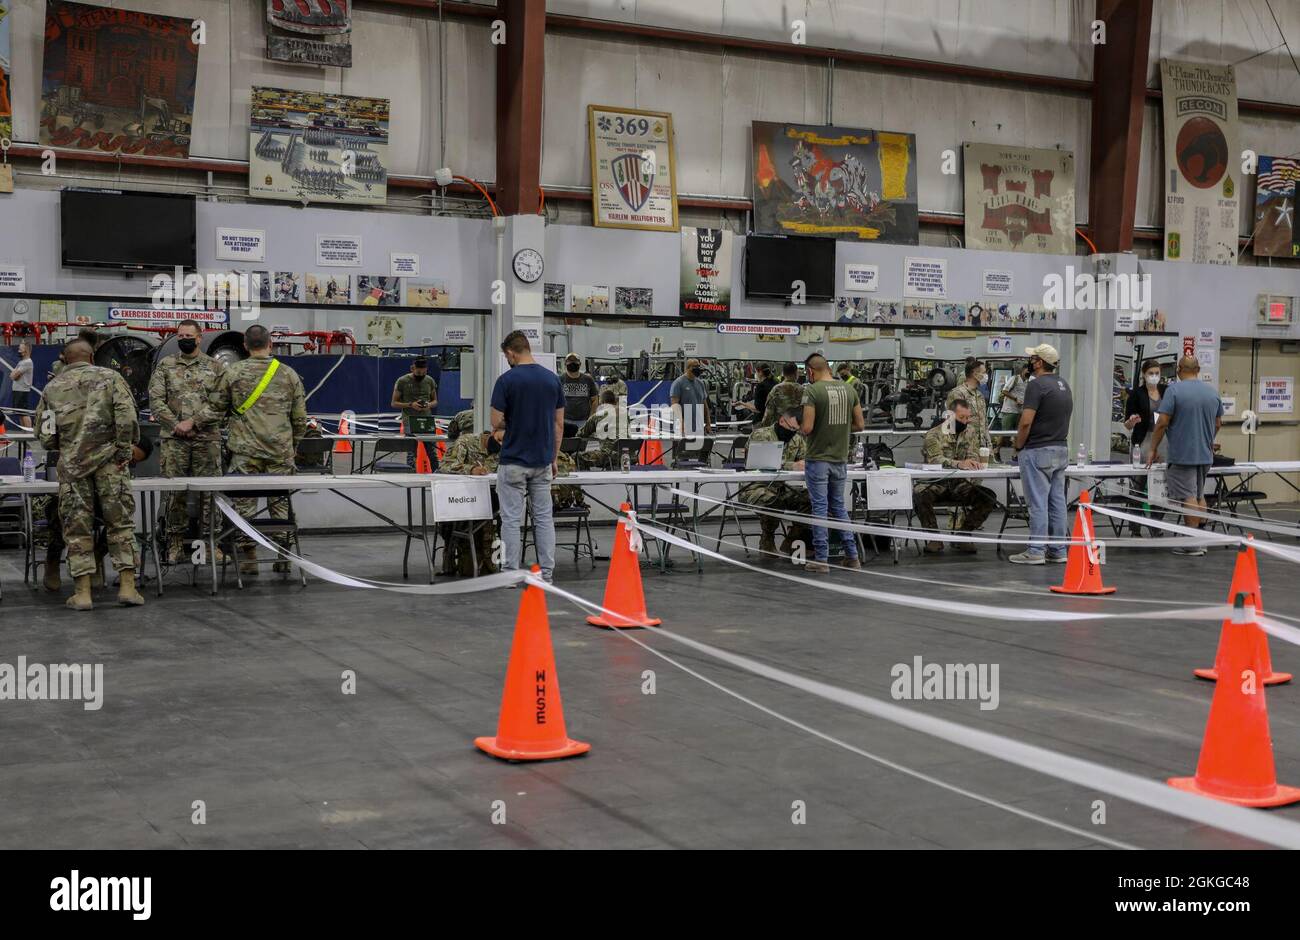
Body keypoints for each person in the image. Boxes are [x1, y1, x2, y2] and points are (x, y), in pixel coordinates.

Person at [36, 340, 143, 610]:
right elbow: (127, 417)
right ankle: (128, 587)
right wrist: (122, 453)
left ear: (65, 358)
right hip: (110, 466)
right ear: (92, 356)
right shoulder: (111, 378)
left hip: (73, 469)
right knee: (120, 524)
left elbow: (47, 436)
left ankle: (82, 594)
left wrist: (66, 447)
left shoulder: (52, 388)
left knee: (76, 529)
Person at [205, 325, 308, 576]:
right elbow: (300, 420)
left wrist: (188, 424)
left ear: (244, 345)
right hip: (279, 453)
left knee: (245, 506)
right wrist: (291, 447)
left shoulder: (233, 372)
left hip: (245, 452)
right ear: (270, 343)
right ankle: (283, 557)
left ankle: (249, 556)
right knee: (280, 505)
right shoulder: (288, 374)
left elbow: (215, 409)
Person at [491, 330, 566, 583]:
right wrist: (554, 458)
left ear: (511, 353)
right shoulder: (552, 380)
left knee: (511, 520)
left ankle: (511, 574)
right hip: (543, 461)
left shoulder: (506, 381)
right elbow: (559, 425)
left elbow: (495, 422)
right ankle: (546, 575)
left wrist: (506, 426)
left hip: (513, 461)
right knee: (544, 519)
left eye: (507, 356)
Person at [148, 320, 226, 563]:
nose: (184, 338)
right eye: (180, 335)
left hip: (207, 440)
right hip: (174, 441)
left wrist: (193, 423)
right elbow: (156, 401)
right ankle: (173, 545)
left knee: (209, 494)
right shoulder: (165, 365)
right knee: (174, 494)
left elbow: (221, 403)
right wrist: (176, 425)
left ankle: (212, 544)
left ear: (199, 338)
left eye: (188, 335)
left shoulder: (215, 366)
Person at [1146, 355, 1223, 557]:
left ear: (1179, 369)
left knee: (1188, 496)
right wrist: (1207, 439)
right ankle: (1201, 539)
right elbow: (1217, 424)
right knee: (1199, 495)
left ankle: (1191, 544)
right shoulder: (1212, 393)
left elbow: (1162, 422)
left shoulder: (1174, 391)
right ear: (1197, 369)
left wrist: (1153, 448)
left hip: (1182, 454)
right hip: (1205, 454)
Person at [799, 353, 864, 572]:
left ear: (810, 371)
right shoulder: (850, 389)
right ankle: (852, 556)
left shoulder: (812, 391)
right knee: (838, 506)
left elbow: (807, 428)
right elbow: (860, 425)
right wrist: (842, 429)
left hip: (818, 459)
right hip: (840, 459)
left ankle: (821, 559)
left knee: (819, 508)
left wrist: (798, 428)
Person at [1009, 344, 1073, 565]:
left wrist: (1018, 445)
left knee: (1037, 502)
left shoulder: (1036, 386)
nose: (1030, 361)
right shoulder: (1063, 384)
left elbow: (1026, 421)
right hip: (1061, 448)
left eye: (1033, 357)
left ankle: (1036, 550)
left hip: (1038, 451)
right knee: (1057, 502)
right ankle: (1058, 549)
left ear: (1038, 362)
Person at [915, 400, 998, 555]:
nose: (965, 422)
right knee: (919, 493)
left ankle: (964, 535)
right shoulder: (933, 435)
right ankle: (933, 537)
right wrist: (959, 464)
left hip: (960, 484)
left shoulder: (970, 432)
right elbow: (935, 459)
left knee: (988, 497)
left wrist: (974, 463)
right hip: (935, 483)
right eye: (962, 418)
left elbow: (972, 454)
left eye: (968, 418)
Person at [738, 408, 812, 558]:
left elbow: (804, 460)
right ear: (781, 421)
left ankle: (792, 540)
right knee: (773, 500)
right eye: (790, 428)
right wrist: (792, 465)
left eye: (796, 429)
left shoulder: (796, 439)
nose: (792, 432)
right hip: (754, 487)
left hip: (782, 487)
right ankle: (767, 540)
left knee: (812, 499)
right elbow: (758, 463)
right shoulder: (762, 435)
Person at [438, 428, 502, 576]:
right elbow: (445, 466)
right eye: (499, 439)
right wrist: (471, 469)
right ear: (493, 432)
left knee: (503, 514)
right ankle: (452, 555)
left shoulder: (507, 448)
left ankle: (491, 557)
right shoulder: (466, 442)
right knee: (453, 521)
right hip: (460, 496)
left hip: (489, 495)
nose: (502, 444)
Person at [391, 357, 438, 467]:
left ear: (426, 370)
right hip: (410, 420)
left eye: (423, 373)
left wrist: (428, 405)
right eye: (418, 373)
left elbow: (435, 401)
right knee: (411, 452)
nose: (420, 375)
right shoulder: (402, 381)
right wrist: (411, 404)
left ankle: (436, 471)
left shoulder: (429, 380)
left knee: (432, 451)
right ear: (412, 368)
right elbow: (393, 403)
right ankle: (410, 472)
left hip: (426, 419)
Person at [1124, 359, 1168, 463]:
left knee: (1162, 475)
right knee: (1141, 474)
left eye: (1157, 373)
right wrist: (1132, 421)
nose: (1154, 376)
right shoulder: (1136, 394)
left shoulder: (1167, 391)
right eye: (1151, 373)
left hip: (1164, 439)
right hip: (1144, 440)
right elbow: (1127, 425)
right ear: (1144, 374)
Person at [945, 358, 992, 450]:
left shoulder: (979, 395)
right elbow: (951, 424)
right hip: (963, 447)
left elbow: (984, 423)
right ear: (975, 374)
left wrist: (989, 446)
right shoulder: (957, 394)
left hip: (981, 446)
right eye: (984, 372)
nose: (986, 376)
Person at [576, 389, 619, 469]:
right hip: (628, 455)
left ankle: (585, 481)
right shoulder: (625, 414)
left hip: (608, 455)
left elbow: (582, 434)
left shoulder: (599, 415)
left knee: (576, 457)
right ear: (615, 402)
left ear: (601, 402)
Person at [560, 353, 599, 437]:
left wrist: (591, 418)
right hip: (565, 420)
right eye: (570, 362)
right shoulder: (560, 379)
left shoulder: (588, 379)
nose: (572, 364)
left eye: (575, 362)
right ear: (565, 363)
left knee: (582, 446)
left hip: (584, 421)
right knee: (566, 446)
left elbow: (595, 400)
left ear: (580, 364)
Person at [670, 358, 711, 436]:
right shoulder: (678, 383)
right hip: (684, 427)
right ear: (688, 368)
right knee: (683, 447)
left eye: (699, 366)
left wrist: (708, 423)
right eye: (695, 366)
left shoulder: (700, 383)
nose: (698, 368)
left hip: (699, 426)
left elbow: (705, 405)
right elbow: (675, 405)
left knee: (700, 447)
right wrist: (681, 423)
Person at [760, 362, 803, 427]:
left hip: (780, 429)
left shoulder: (776, 389)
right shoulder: (803, 390)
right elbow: (806, 411)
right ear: (796, 373)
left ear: (783, 373)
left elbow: (768, 413)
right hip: (797, 429)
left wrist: (763, 428)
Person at [995, 362, 1029, 432]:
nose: (1028, 372)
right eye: (1027, 370)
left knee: (1017, 433)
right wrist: (1015, 399)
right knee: (1005, 433)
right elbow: (1004, 391)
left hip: (1020, 411)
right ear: (1023, 370)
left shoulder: (1027, 382)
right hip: (1009, 410)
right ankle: (1002, 443)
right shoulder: (1014, 378)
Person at [9, 341, 33, 428]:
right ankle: (24, 433)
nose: (18, 350)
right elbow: (12, 375)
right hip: (18, 390)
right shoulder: (21, 362)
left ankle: (29, 434)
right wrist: (15, 375)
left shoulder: (27, 362)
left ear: (26, 350)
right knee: (20, 413)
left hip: (22, 390)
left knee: (24, 413)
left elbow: (14, 375)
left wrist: (15, 375)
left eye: (20, 349)